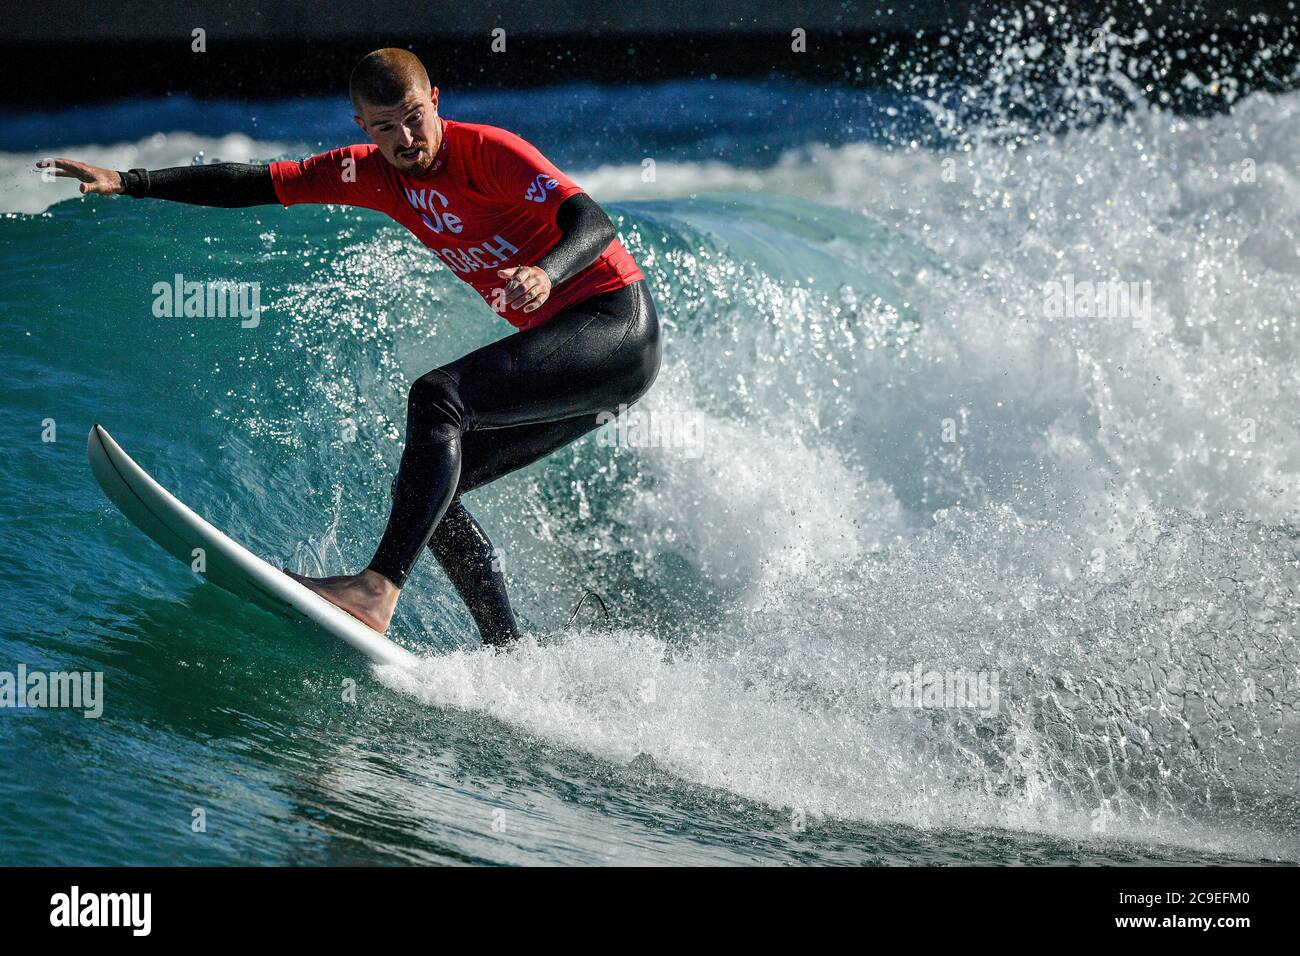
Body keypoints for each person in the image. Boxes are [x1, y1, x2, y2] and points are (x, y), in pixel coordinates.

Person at [44, 48, 661, 645]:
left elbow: (593, 223)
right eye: (386, 127)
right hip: (584, 353)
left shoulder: (489, 152)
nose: (407, 138)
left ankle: (375, 590)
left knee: (438, 398)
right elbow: (254, 182)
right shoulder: (365, 172)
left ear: (435, 102)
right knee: (431, 489)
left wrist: (547, 272)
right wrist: (130, 180)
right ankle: (508, 649)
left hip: (614, 324)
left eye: (415, 116)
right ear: (362, 126)